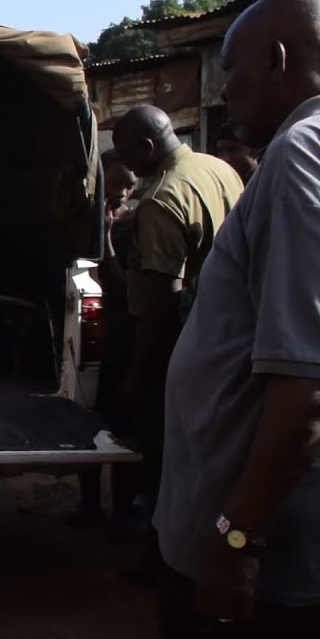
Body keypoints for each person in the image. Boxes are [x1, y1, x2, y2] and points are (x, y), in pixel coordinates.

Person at [153, 0, 320, 639]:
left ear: (277, 60)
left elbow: (311, 383)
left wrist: (237, 541)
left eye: (230, 70)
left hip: (271, 563)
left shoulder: (304, 152)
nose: (224, 90)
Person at [110, 105, 243, 514]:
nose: (130, 169)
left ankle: (161, 536)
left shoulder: (162, 199)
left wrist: (137, 374)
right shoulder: (219, 170)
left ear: (147, 146)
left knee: (163, 449)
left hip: (179, 344)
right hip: (230, 336)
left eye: (129, 156)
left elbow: (162, 298)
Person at [69, 150, 140, 536]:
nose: (123, 192)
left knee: (124, 427)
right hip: (91, 339)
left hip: (125, 339)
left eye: (129, 185)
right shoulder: (84, 218)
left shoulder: (135, 223)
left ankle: (125, 509)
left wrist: (108, 237)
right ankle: (90, 503)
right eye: (115, 183)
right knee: (88, 420)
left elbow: (124, 285)